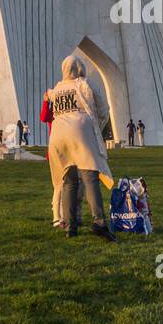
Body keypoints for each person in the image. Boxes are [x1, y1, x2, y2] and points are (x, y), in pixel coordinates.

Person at [46, 54, 115, 241]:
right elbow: (103, 109)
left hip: (58, 136)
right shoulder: (85, 84)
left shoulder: (58, 88)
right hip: (80, 132)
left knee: (68, 181)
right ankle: (99, 222)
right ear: (80, 68)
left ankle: (70, 226)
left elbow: (49, 96)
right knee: (90, 177)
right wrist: (98, 127)